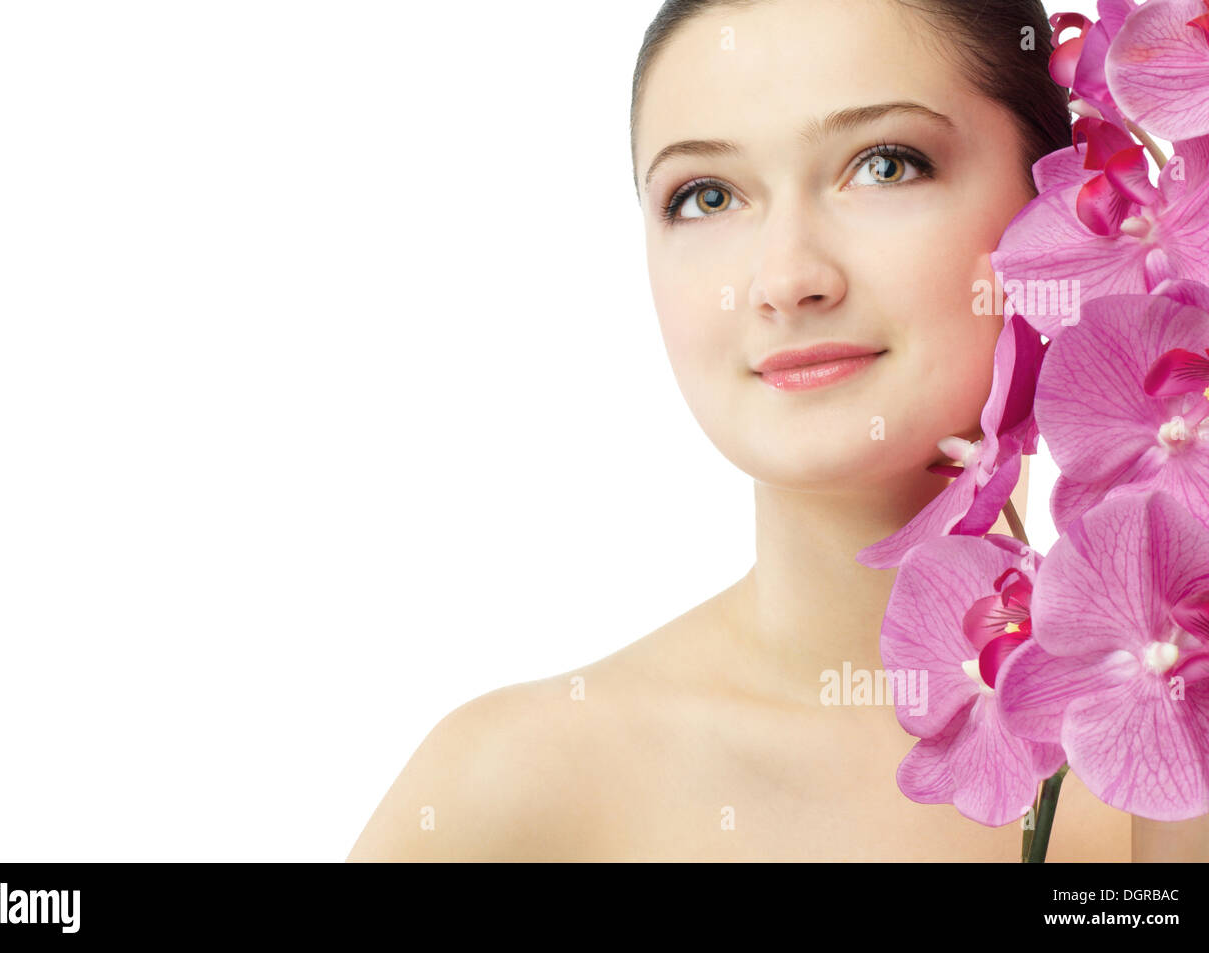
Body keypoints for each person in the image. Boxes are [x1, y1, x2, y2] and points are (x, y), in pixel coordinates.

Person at [347, 0, 1137, 862]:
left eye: (883, 165)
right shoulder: (512, 787)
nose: (786, 277)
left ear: (1059, 197)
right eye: (707, 196)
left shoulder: (1180, 774)